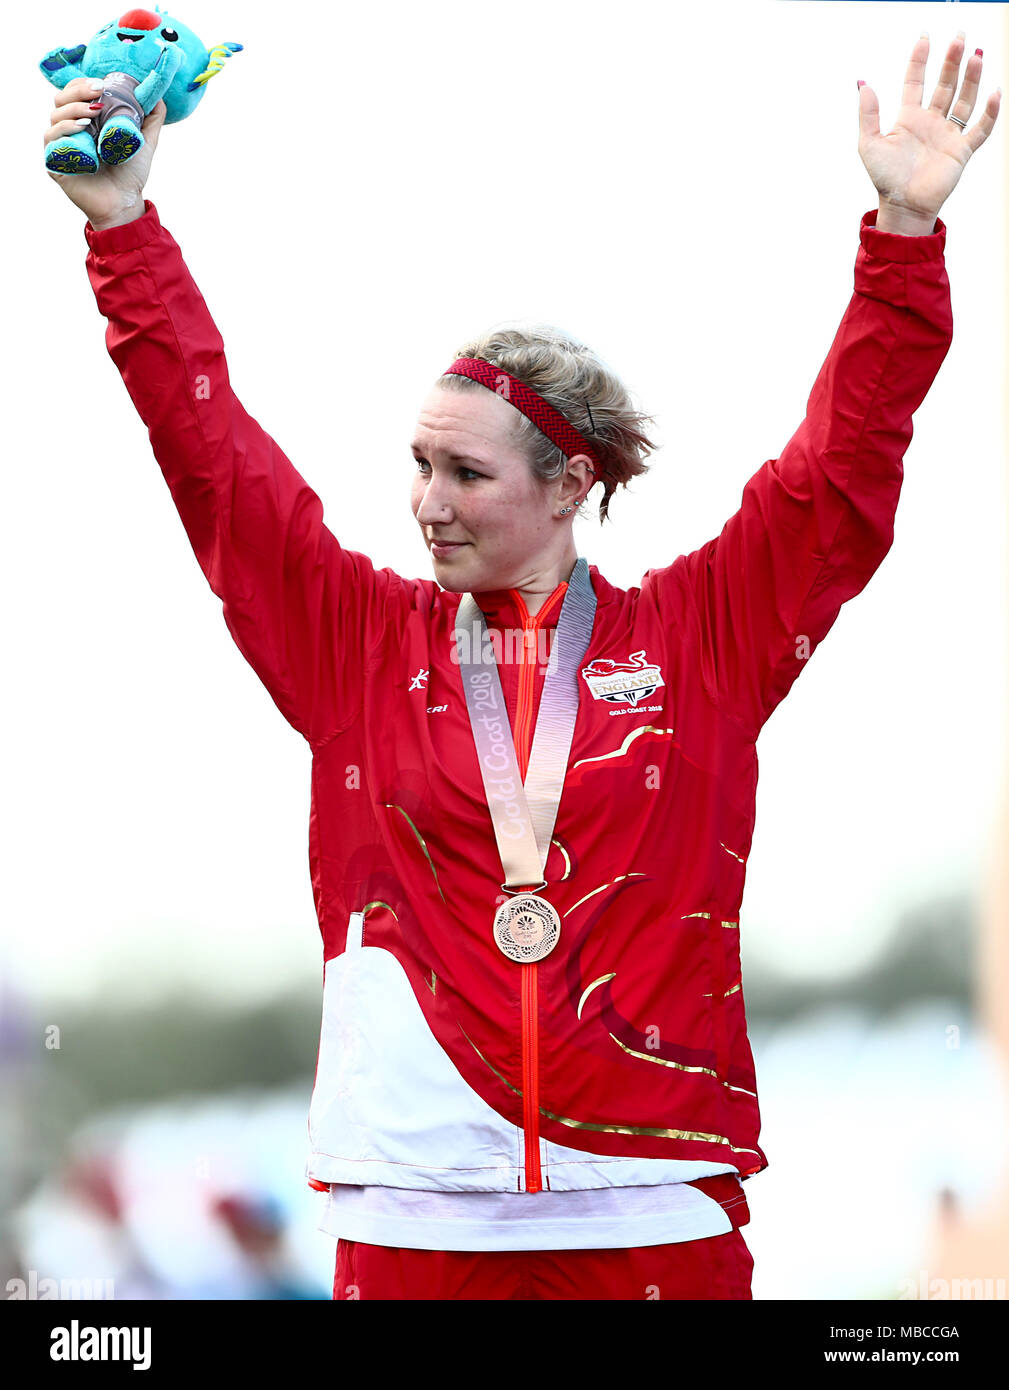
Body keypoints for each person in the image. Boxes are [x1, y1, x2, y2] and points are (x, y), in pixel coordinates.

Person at [44, 31, 999, 1301]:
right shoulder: (355, 642)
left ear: (569, 485)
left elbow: (839, 471)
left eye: (465, 473)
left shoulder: (702, 637)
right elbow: (210, 455)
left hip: (655, 1206)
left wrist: (898, 242)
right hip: (417, 1212)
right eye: (418, 465)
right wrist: (126, 236)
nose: (425, 502)